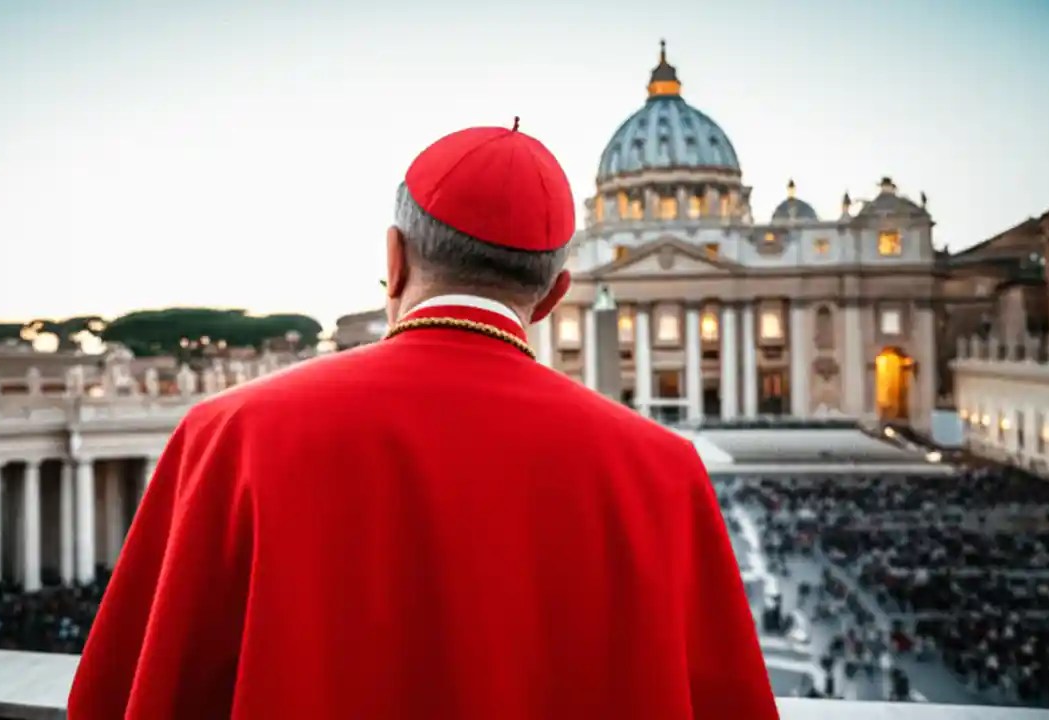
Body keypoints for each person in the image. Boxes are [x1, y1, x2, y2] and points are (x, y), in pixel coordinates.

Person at [69, 121, 777, 719]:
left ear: (393, 259)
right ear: (555, 292)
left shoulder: (228, 433)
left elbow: (128, 695)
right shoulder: (665, 469)